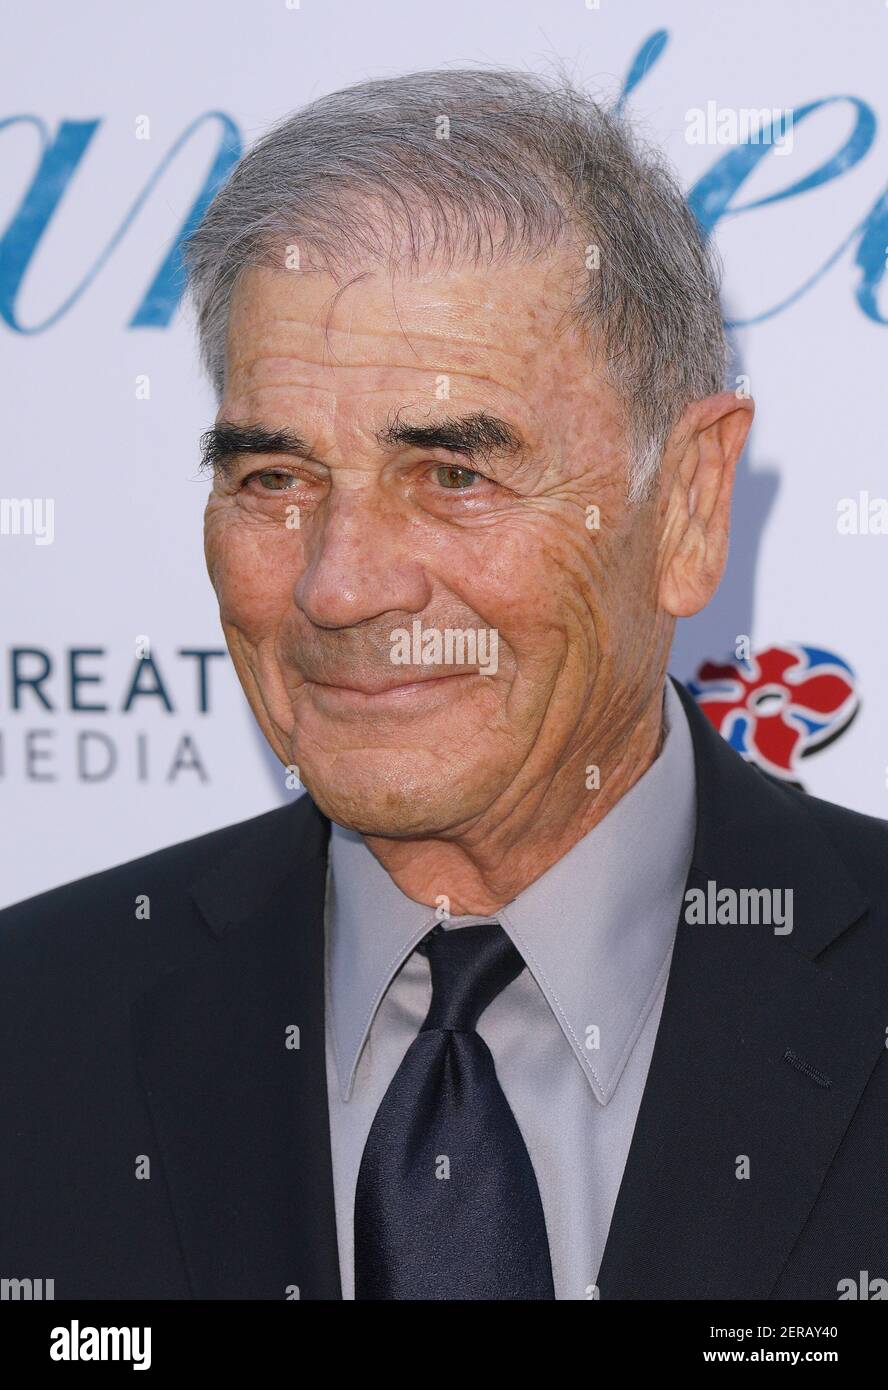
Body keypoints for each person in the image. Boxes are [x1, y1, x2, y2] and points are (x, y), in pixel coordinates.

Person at [2, 68, 886, 1301]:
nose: (341, 585)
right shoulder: (31, 1033)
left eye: (452, 475)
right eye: (274, 479)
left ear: (686, 504)